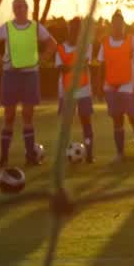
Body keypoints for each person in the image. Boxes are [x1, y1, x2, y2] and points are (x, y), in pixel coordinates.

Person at [0, 0, 57, 168]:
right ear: (13, 9)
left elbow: (52, 44)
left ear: (27, 8)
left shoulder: (35, 27)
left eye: (22, 6)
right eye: (16, 6)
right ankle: (4, 157)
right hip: (10, 74)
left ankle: (30, 157)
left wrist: (43, 59)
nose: (19, 9)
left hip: (30, 75)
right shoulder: (7, 27)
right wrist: (0, 60)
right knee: (9, 116)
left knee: (27, 115)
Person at [96, 10, 134, 165]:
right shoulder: (105, 42)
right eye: (115, 24)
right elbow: (101, 65)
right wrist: (99, 86)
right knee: (117, 121)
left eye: (120, 24)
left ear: (124, 25)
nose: (118, 27)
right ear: (111, 26)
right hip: (110, 87)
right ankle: (119, 154)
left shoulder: (133, 40)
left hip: (128, 86)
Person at [55, 17, 97, 163]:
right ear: (68, 29)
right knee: (66, 123)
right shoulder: (60, 47)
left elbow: (82, 64)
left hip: (83, 89)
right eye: (72, 29)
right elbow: (61, 68)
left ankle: (89, 153)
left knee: (86, 121)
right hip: (66, 90)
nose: (75, 32)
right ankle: (64, 154)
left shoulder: (86, 46)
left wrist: (69, 66)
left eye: (78, 29)